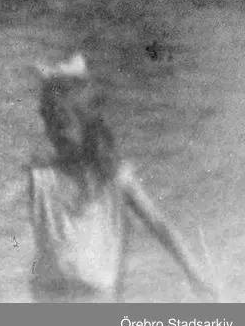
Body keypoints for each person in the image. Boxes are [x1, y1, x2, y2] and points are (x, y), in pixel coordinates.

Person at [26, 54, 218, 302]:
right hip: (49, 299)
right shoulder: (41, 177)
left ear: (87, 126)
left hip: (97, 299)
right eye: (49, 124)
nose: (53, 135)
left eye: (62, 127)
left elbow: (161, 226)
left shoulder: (115, 178)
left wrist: (195, 273)